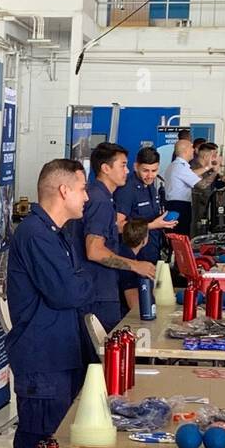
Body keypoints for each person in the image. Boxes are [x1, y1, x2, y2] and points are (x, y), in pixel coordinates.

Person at [5, 159, 95, 448]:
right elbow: (68, 292)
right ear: (64, 189)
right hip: (43, 361)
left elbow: (75, 284)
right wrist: (84, 281)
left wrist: (80, 281)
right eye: (83, 189)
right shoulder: (35, 235)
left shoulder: (57, 234)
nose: (87, 197)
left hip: (60, 353)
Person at [82, 141, 154, 332]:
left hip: (102, 289)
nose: (127, 171)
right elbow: (94, 250)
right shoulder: (99, 200)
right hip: (99, 292)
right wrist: (135, 265)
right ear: (106, 168)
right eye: (122, 165)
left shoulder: (103, 197)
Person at [114, 145, 174, 259]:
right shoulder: (127, 189)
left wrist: (164, 222)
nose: (150, 175)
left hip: (153, 249)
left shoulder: (151, 185)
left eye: (154, 170)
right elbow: (118, 226)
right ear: (136, 167)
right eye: (145, 170)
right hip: (135, 257)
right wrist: (152, 225)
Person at [163, 137, 198, 228]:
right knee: (180, 235)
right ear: (185, 150)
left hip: (174, 205)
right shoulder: (180, 167)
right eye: (191, 147)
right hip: (179, 206)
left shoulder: (176, 166)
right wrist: (208, 167)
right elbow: (199, 183)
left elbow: (193, 174)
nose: (193, 150)